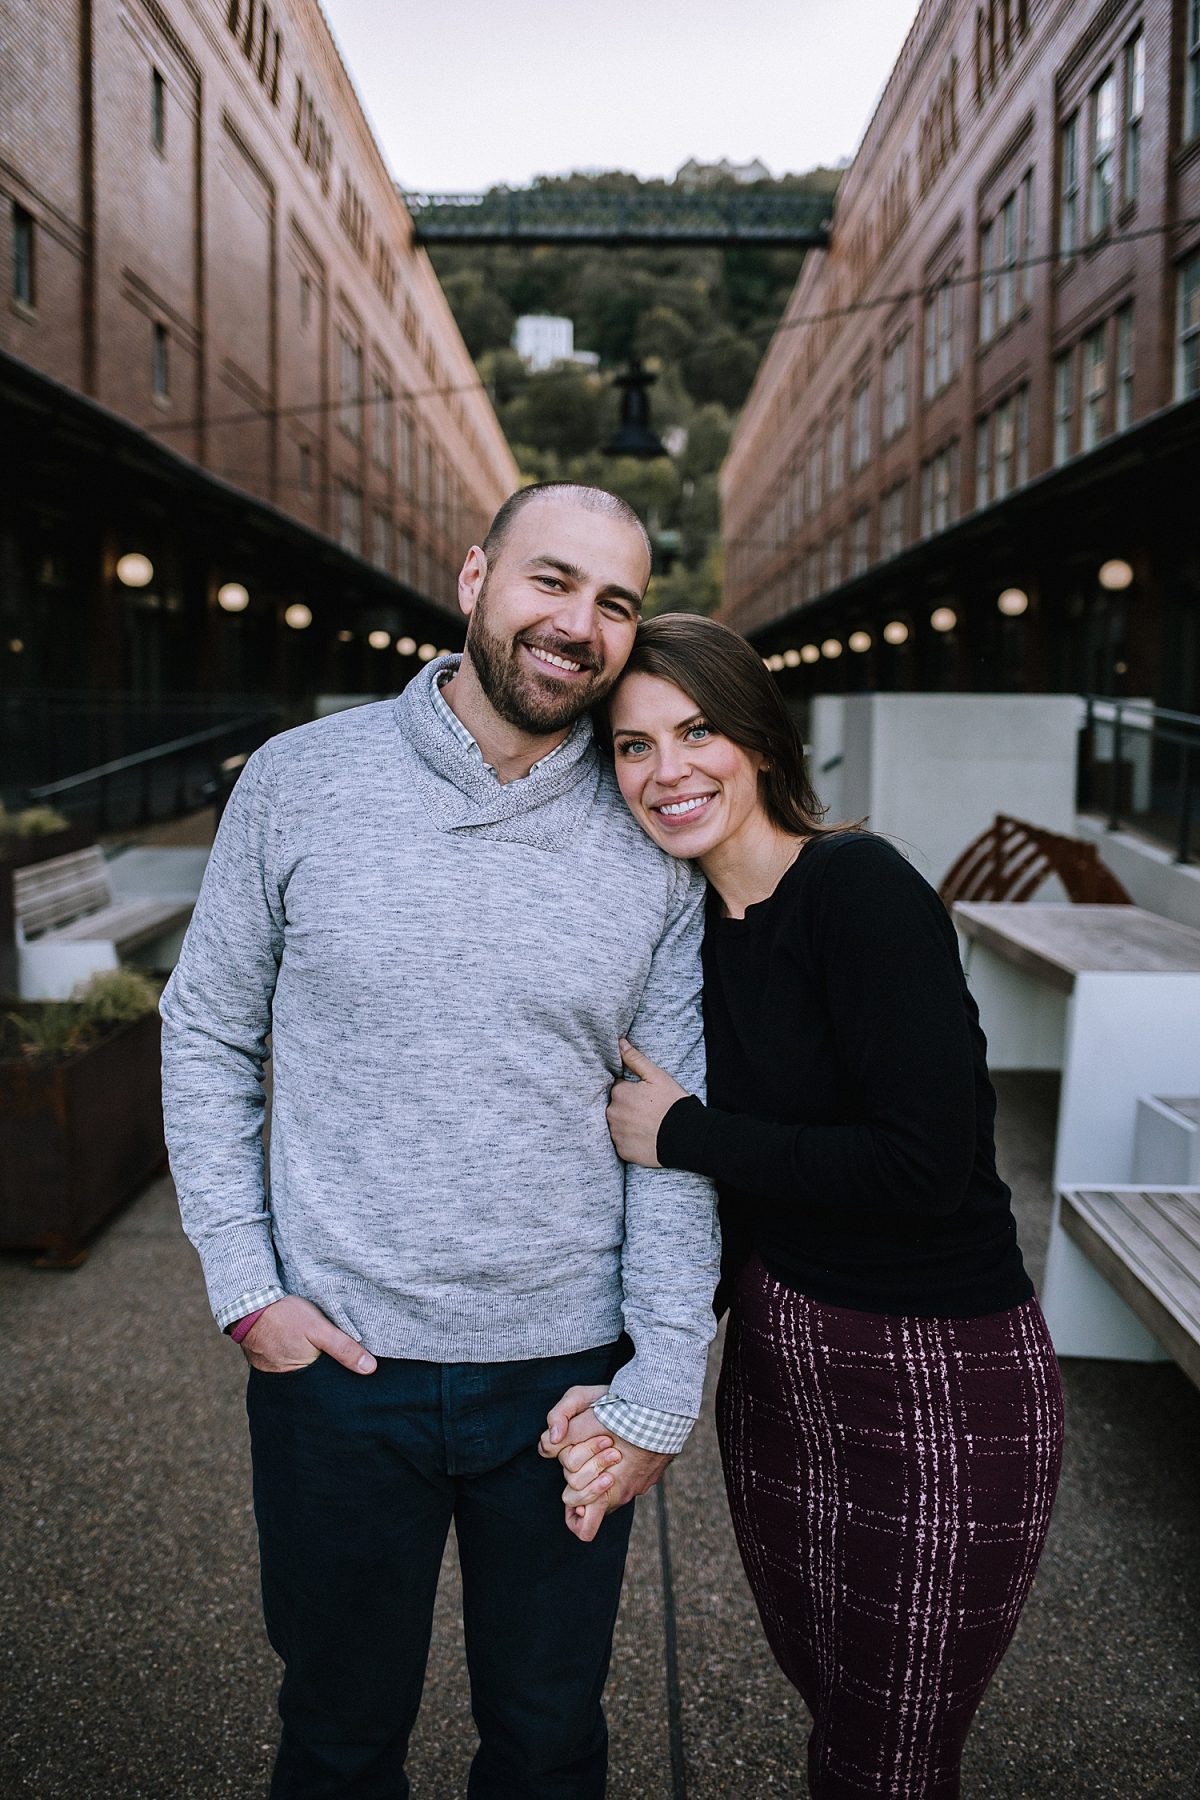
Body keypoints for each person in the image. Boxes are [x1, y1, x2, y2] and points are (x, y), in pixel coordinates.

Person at [160, 488, 720, 1800]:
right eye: (550, 581)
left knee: (546, 1740)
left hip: (567, 1380)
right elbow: (204, 1035)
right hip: (339, 1375)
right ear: (473, 577)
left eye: (616, 604)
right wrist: (247, 1290)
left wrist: (659, 1385)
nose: (577, 625)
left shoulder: (650, 827)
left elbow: (680, 1127)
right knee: (341, 1736)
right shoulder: (303, 780)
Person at [548, 613, 1064, 1799]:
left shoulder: (859, 890)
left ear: (761, 739)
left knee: (887, 1752)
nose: (668, 770)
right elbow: (738, 1208)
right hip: (784, 1372)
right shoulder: (694, 931)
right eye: (632, 748)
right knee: (836, 1708)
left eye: (698, 730)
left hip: (940, 1378)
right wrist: (639, 1367)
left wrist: (682, 1132)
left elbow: (924, 1164)